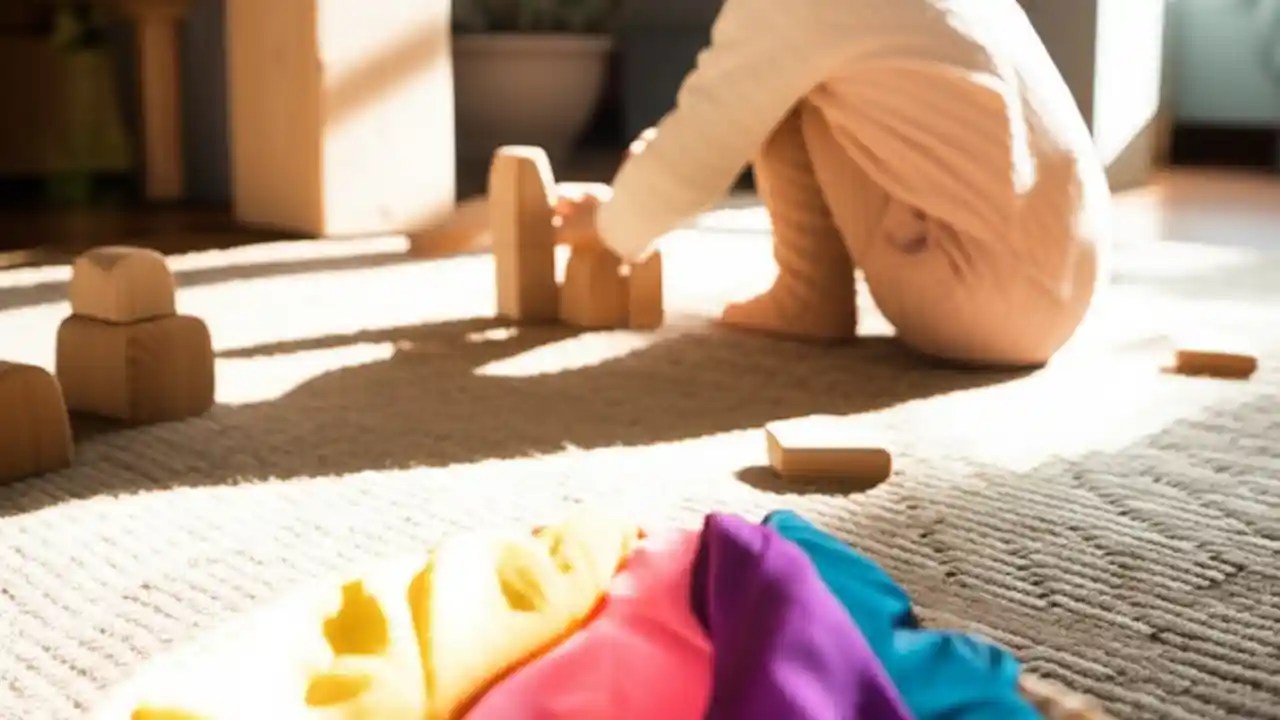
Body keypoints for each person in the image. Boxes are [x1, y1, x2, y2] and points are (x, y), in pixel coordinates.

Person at [554, 0, 1111, 368]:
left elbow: (699, 150)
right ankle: (809, 295)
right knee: (805, 81)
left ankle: (807, 294)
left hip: (972, 296)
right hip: (1071, 288)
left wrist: (608, 226)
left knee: (767, 92)